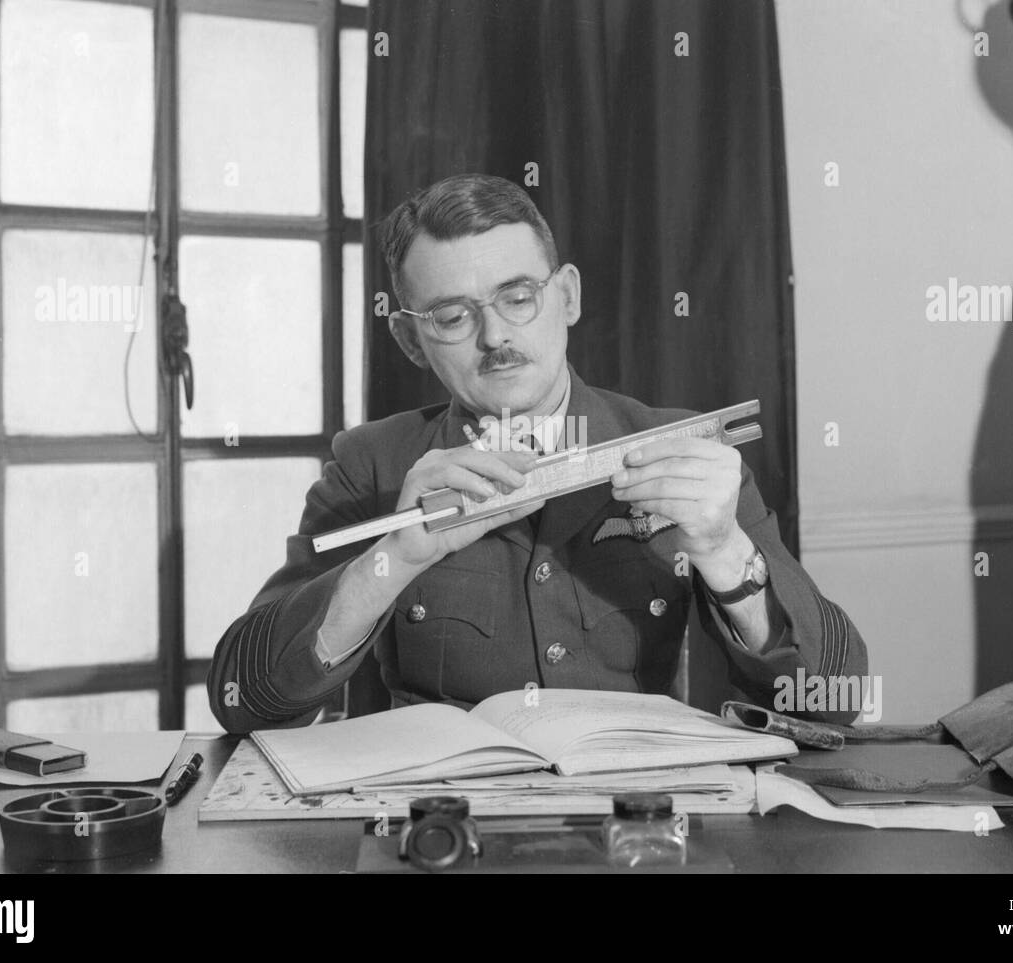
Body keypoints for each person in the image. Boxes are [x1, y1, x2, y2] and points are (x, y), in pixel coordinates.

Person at [208, 173, 867, 733]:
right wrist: (394, 558)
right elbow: (241, 699)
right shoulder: (371, 466)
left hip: (633, 829)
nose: (496, 336)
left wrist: (726, 551)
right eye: (452, 315)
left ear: (568, 296)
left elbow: (836, 700)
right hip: (443, 829)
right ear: (411, 341)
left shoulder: (686, 448)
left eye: (518, 297)